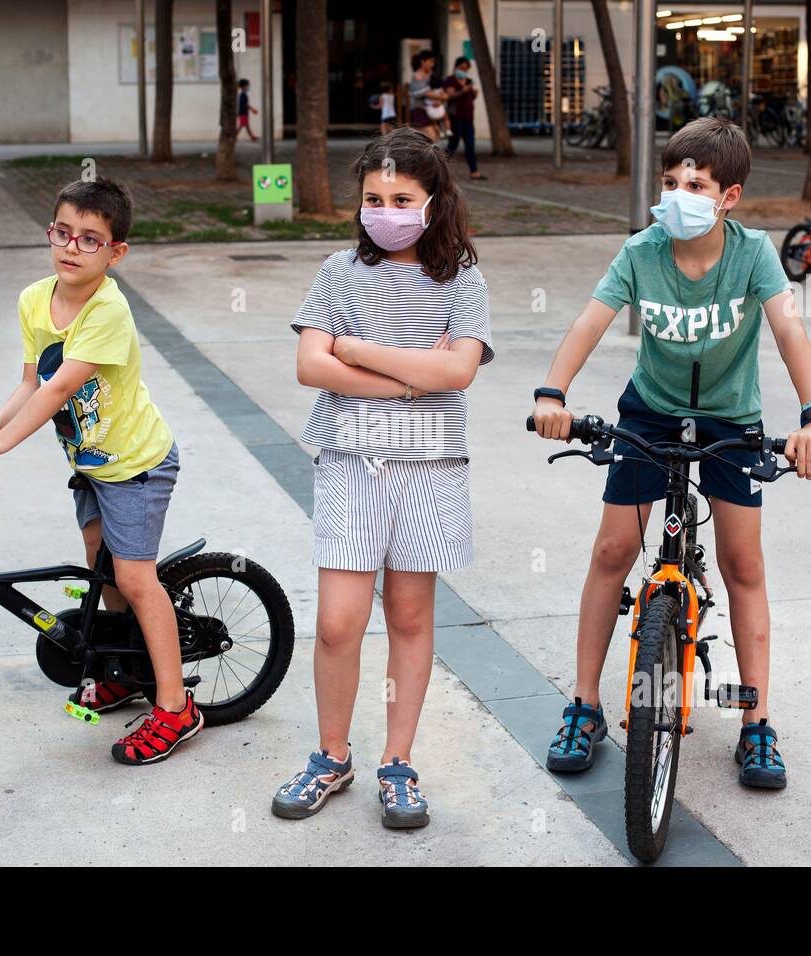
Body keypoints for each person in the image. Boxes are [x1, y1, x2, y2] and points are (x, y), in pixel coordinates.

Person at [530, 118, 811, 790]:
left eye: (693, 184)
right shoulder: (643, 251)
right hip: (652, 412)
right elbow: (590, 319)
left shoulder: (751, 254)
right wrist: (553, 394)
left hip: (732, 417)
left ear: (729, 196)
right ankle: (584, 705)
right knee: (612, 551)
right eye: (670, 182)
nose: (677, 195)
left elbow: (789, 327)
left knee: (742, 563)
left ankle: (756, 724)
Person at [274, 128, 494, 829]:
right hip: (350, 465)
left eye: (402, 198)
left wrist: (359, 351)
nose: (386, 209)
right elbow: (312, 366)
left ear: (434, 202)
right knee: (339, 624)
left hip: (431, 471)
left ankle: (397, 762)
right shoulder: (339, 272)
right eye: (374, 197)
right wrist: (408, 376)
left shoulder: (462, 280)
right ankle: (330, 755)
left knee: (408, 617)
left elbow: (457, 371)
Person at [0, 178, 203, 766]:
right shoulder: (35, 299)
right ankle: (125, 664)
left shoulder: (108, 310)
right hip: (90, 464)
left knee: (137, 580)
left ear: (116, 253)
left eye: (90, 240)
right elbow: (33, 381)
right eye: (62, 232)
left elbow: (65, 383)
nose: (71, 246)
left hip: (136, 465)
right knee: (101, 568)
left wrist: (5, 446)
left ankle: (173, 705)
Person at [443, 57, 485, 180]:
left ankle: (474, 171)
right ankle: (440, 169)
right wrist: (463, 90)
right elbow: (450, 96)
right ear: (456, 67)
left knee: (470, 145)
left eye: (466, 69)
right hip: (456, 117)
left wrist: (473, 93)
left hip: (468, 118)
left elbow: (471, 97)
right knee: (453, 145)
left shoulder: (468, 81)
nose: (463, 71)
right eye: (461, 68)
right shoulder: (450, 80)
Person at [408, 51, 445, 141]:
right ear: (422, 62)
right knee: (431, 137)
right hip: (419, 109)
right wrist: (441, 97)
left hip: (430, 110)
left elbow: (439, 89)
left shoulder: (431, 74)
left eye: (433, 62)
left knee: (435, 137)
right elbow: (424, 93)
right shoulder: (417, 75)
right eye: (430, 61)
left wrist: (440, 99)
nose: (432, 64)